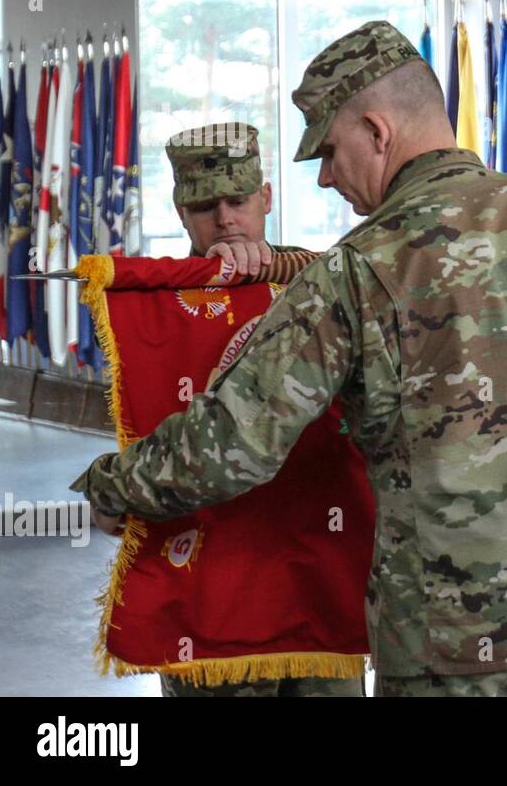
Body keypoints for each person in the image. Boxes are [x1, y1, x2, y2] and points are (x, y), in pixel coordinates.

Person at [73, 20, 507, 697]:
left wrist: (112, 485)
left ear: (377, 132)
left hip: (457, 635)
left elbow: (237, 440)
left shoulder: (362, 266)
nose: (324, 178)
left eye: (330, 151)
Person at [143, 122, 365, 698]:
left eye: (238, 201)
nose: (224, 220)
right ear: (180, 211)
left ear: (266, 198)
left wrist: (275, 267)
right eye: (204, 206)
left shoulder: (320, 284)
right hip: (210, 591)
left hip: (319, 573)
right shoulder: (153, 314)